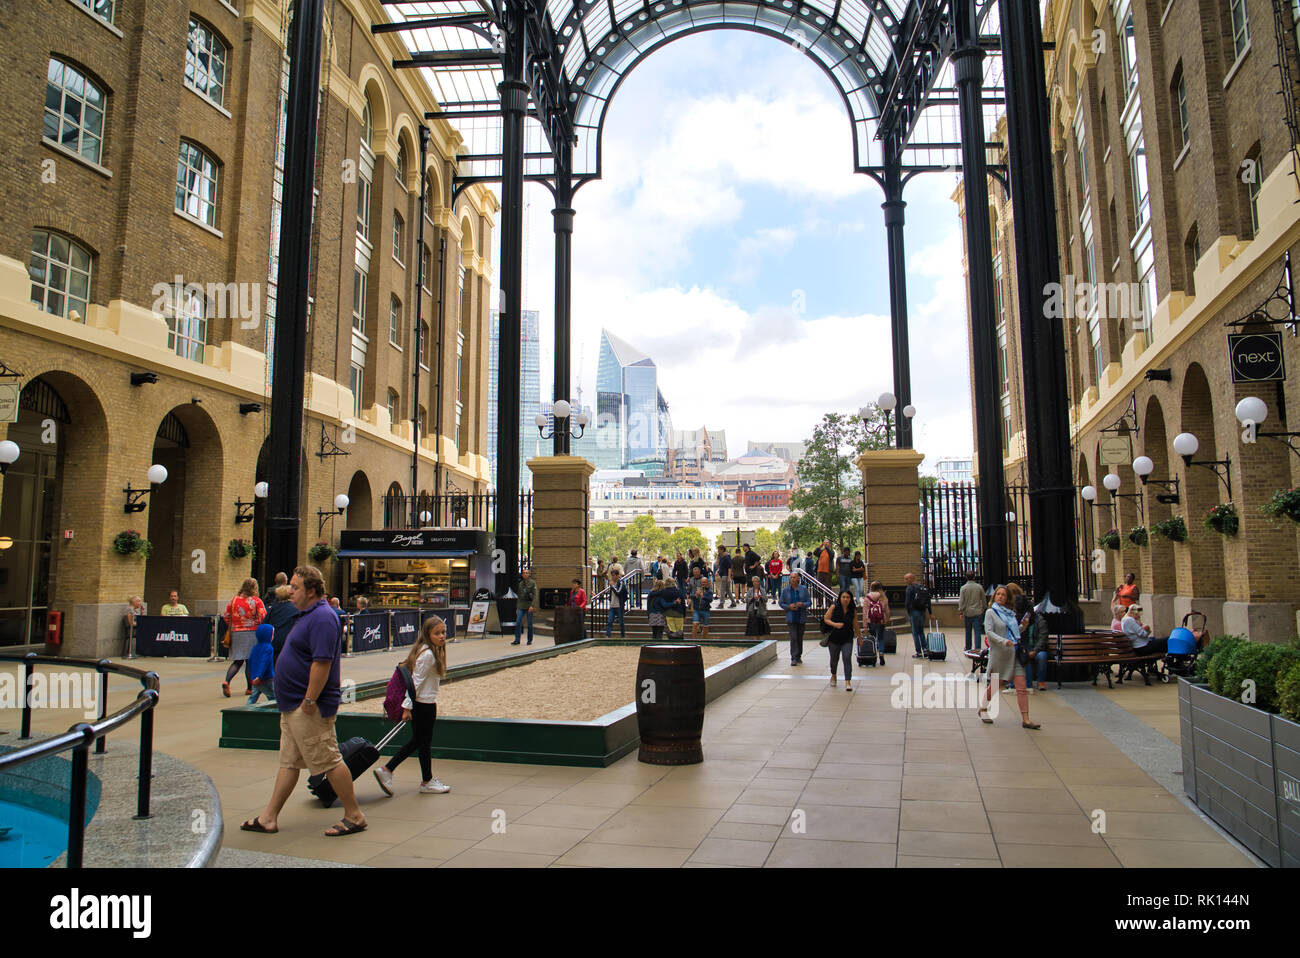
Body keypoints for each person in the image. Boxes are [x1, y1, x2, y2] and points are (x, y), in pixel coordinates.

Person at [241, 565, 367, 837]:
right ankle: (268, 818)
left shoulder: (322, 617)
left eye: (295, 587)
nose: (289, 592)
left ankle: (354, 815)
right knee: (288, 762)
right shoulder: (307, 614)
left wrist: (309, 701)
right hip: (293, 705)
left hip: (308, 706)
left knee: (330, 761)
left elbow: (322, 663)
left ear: (311, 591)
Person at [374, 615, 451, 796]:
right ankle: (388, 770)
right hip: (424, 704)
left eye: (443, 632)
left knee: (422, 742)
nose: (442, 636)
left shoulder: (424, 650)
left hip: (422, 703)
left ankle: (426, 779)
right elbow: (415, 682)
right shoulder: (429, 655)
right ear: (427, 635)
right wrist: (407, 707)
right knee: (420, 741)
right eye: (437, 633)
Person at [978, 585, 1039, 729]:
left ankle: (1026, 719)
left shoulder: (1011, 613)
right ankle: (983, 708)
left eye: (1003, 595)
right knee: (995, 686)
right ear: (994, 597)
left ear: (1007, 598)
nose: (1000, 597)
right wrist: (1003, 641)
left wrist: (1023, 626)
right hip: (1000, 655)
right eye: (998, 594)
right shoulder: (990, 613)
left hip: (1014, 653)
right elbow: (989, 633)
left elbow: (1014, 633)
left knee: (1021, 687)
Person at [222, 578, 267, 698]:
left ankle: (227, 681)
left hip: (236, 633)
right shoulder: (256, 601)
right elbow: (263, 617)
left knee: (237, 661)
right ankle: (249, 688)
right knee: (249, 661)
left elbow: (226, 616)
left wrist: (234, 625)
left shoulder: (234, 600)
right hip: (252, 633)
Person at [822, 590, 860, 691]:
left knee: (847, 658)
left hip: (847, 638)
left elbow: (855, 624)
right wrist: (835, 624)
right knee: (834, 659)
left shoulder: (852, 610)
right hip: (834, 638)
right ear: (840, 598)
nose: (846, 599)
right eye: (843, 597)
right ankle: (833, 675)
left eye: (848, 597)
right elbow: (826, 618)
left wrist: (860, 638)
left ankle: (848, 681)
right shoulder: (834, 607)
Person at [779, 570, 811, 666]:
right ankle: (793, 657)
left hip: (801, 616)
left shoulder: (803, 589)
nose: (792, 579)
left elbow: (809, 602)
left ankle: (799, 656)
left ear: (798, 579)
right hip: (791, 617)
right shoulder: (785, 590)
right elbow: (781, 603)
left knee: (799, 637)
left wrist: (803, 604)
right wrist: (789, 607)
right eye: (791, 577)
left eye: (794, 577)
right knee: (793, 637)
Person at [264, 584, 298, 663]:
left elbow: (265, 623)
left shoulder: (273, 608)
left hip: (273, 642)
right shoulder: (295, 608)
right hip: (287, 643)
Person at [903, 572, 933, 659]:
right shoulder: (922, 587)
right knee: (921, 631)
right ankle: (925, 649)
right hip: (922, 611)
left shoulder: (910, 588)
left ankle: (918, 652)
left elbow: (907, 602)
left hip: (914, 612)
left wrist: (909, 612)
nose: (905, 581)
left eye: (906, 579)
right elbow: (928, 600)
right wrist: (930, 612)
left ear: (911, 579)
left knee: (915, 632)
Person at [862, 579, 890, 667]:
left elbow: (865, 612)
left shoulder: (867, 597)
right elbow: (887, 610)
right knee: (881, 638)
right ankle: (881, 654)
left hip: (871, 620)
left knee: (873, 638)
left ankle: (873, 654)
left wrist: (865, 625)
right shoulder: (883, 597)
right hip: (881, 620)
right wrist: (887, 619)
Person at [957, 571, 987, 652]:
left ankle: (968, 647)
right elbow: (984, 599)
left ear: (966, 577)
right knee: (977, 632)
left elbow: (961, 601)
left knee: (968, 631)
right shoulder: (979, 587)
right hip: (977, 612)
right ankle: (977, 649)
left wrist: (961, 611)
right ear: (974, 577)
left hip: (967, 612)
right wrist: (984, 608)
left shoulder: (963, 588)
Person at [247, 624, 275, 705]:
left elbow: (250, 661)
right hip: (266, 677)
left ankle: (246, 711)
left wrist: (254, 676)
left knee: (253, 697)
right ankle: (276, 711)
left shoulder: (255, 647)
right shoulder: (269, 648)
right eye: (272, 634)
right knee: (273, 696)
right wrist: (260, 676)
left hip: (255, 677)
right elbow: (265, 662)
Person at [512, 568, 538, 645]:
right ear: (522, 575)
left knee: (529, 623)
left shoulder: (532, 583)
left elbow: (535, 595)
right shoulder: (520, 584)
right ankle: (517, 639)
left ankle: (529, 640)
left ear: (529, 574)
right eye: (524, 573)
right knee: (518, 622)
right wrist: (517, 607)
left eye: (527, 573)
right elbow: (519, 596)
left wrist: (532, 605)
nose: (525, 574)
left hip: (529, 606)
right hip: (521, 606)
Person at [690, 573, 714, 638]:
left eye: (705, 582)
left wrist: (703, 597)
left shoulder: (709, 591)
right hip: (697, 609)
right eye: (702, 582)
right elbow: (691, 595)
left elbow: (710, 599)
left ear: (707, 583)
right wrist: (695, 595)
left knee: (705, 626)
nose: (703, 584)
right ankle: (694, 640)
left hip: (705, 610)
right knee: (695, 624)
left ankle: (704, 640)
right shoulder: (697, 589)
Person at [606, 573, 628, 638]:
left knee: (621, 622)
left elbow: (618, 592)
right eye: (612, 575)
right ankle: (607, 635)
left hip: (619, 605)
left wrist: (612, 586)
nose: (612, 577)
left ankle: (623, 635)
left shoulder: (621, 583)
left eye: (614, 575)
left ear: (617, 575)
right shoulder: (612, 584)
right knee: (610, 621)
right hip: (612, 605)